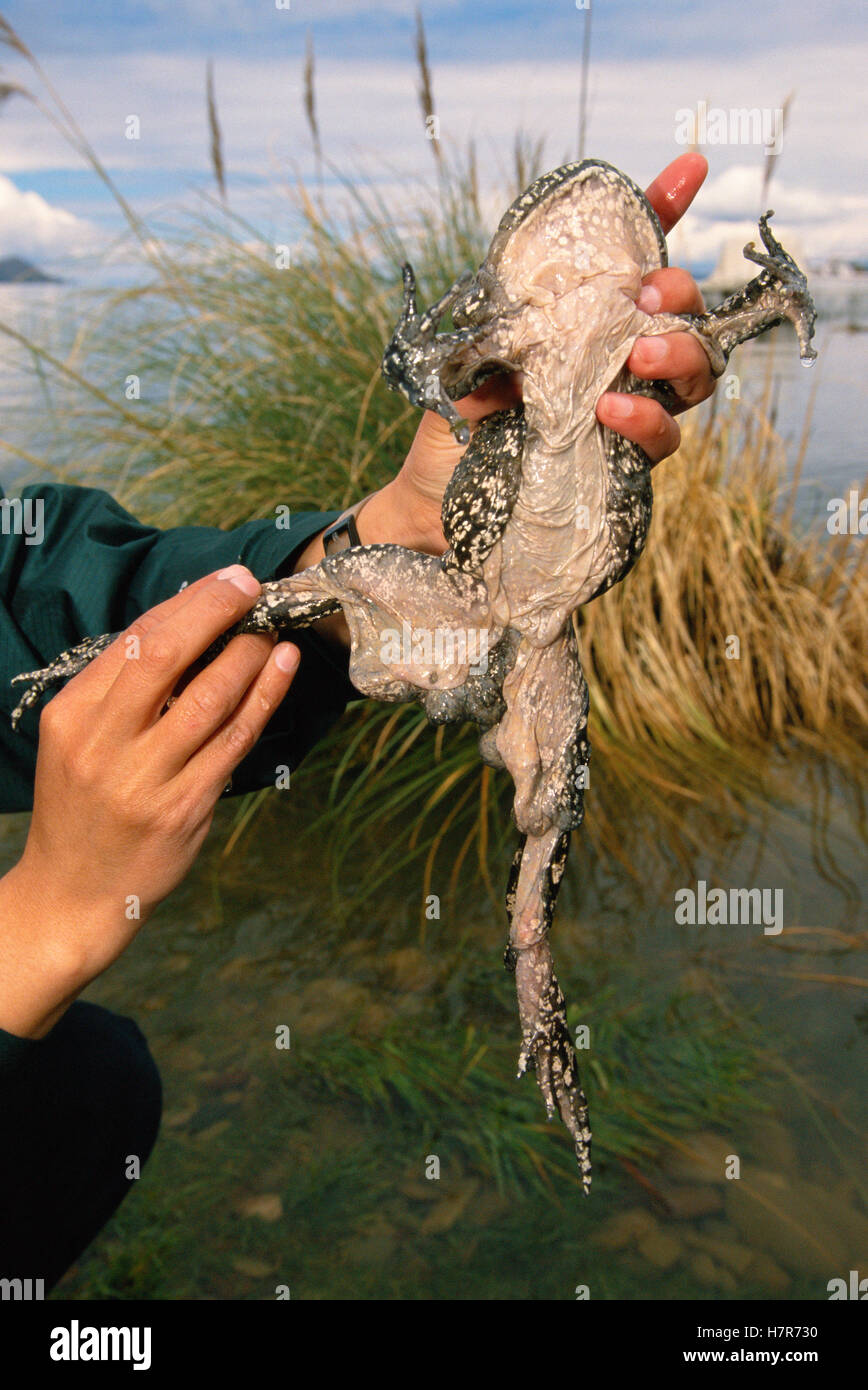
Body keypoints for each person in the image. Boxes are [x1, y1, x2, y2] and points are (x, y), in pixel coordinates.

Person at [0, 154, 716, 1289]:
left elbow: (35, 583)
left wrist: (386, 530)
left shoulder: (556, 349)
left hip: (509, 601)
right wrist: (49, 909)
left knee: (536, 826)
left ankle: (541, 1012)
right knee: (106, 1086)